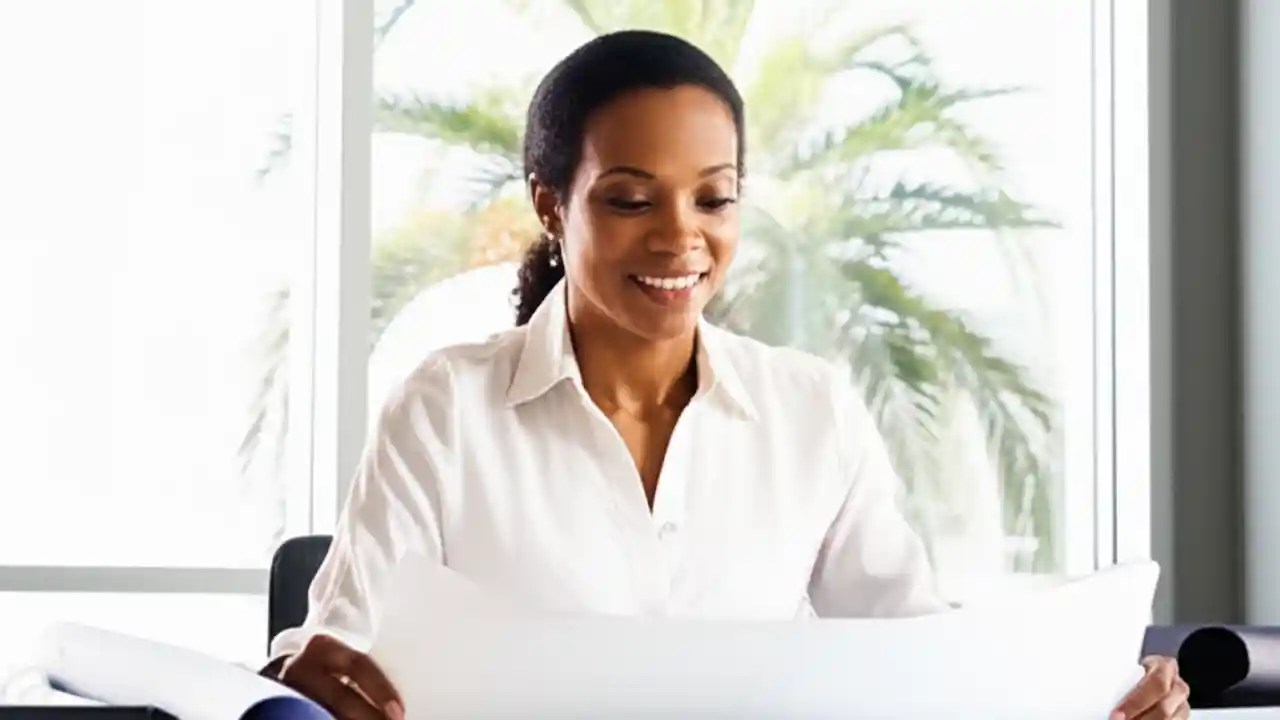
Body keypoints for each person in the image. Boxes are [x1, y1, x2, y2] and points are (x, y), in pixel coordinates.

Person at [265, 30, 1189, 720]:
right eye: (630, 199)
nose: (680, 238)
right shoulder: (447, 408)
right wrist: (302, 681)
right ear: (551, 203)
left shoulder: (809, 410)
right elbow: (331, 653)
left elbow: (921, 650)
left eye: (714, 197)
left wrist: (1102, 692)